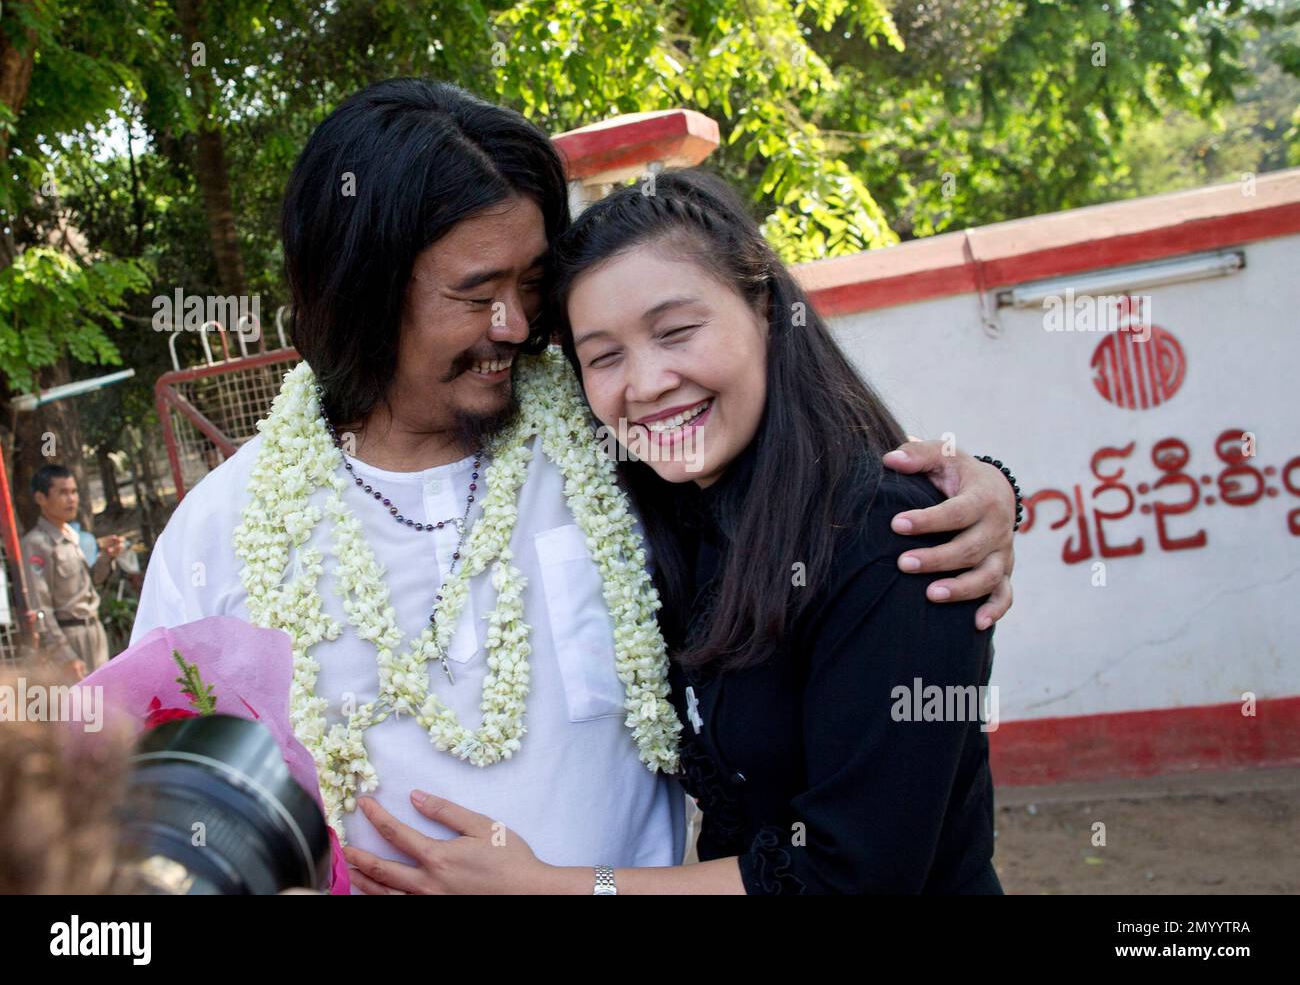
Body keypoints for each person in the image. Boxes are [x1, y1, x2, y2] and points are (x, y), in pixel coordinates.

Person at [131, 79, 1016, 894]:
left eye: (532, 286)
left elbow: (813, 486)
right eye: (477, 293)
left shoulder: (617, 442)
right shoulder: (223, 533)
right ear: (361, 289)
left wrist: (985, 490)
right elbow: (166, 801)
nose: (514, 326)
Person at [346, 169, 1010, 894]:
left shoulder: (895, 538)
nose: (648, 382)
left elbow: (853, 881)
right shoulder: (664, 516)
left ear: (762, 307)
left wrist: (550, 887)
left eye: (677, 332)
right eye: (604, 356)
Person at [23, 465, 126, 678]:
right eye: (62, 493)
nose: (71, 499)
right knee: (80, 708)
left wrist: (107, 557)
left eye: (74, 491)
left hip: (93, 632)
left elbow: (89, 583)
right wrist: (64, 655)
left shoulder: (72, 535)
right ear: (41, 498)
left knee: (103, 705)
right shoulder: (37, 544)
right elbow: (40, 606)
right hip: (68, 637)